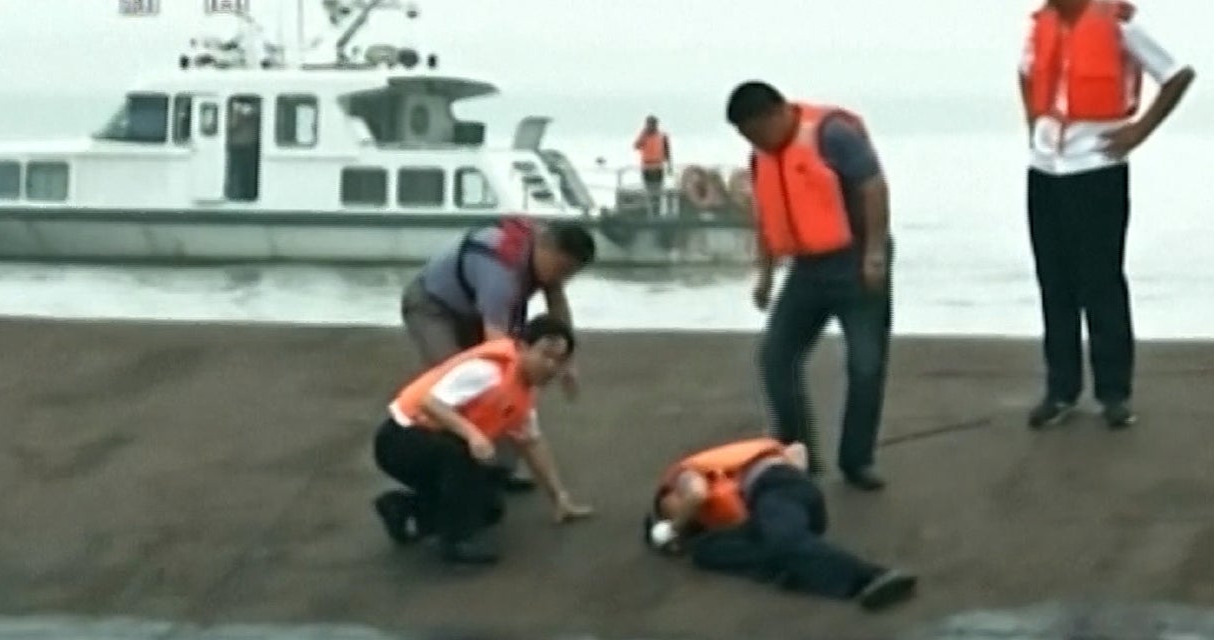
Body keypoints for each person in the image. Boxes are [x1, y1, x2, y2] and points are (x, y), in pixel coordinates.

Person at [1019, 0, 1196, 431]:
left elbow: (1178, 74)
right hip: (1045, 170)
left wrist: (1139, 131)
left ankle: (1114, 392)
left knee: (1101, 282)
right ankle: (1061, 390)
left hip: (1096, 170)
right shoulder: (1041, 27)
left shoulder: (1119, 23)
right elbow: (1025, 74)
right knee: (1054, 283)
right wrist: (1033, 122)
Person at [725, 81, 892, 491]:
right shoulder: (760, 157)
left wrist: (873, 253)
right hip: (806, 269)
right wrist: (764, 274)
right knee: (776, 357)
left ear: (777, 114)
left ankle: (857, 460)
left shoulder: (832, 135)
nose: (753, 142)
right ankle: (796, 454)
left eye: (754, 132)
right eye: (745, 137)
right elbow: (767, 215)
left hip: (854, 261)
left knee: (865, 363)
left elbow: (874, 187)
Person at [372, 314, 594, 565]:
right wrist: (473, 435)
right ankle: (454, 543)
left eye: (559, 360)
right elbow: (430, 403)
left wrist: (559, 497)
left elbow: (532, 442)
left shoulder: (522, 392)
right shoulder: (487, 371)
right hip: (399, 440)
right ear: (522, 347)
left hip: (432, 444)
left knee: (489, 508)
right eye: (545, 355)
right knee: (462, 458)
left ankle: (402, 508)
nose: (551, 366)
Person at [399, 217, 597, 488]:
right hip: (433, 307)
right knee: (466, 382)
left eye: (570, 274)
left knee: (507, 389)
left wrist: (567, 360)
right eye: (562, 270)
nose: (562, 279)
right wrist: (527, 385)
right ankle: (446, 466)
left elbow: (557, 306)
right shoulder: (501, 270)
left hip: (473, 308)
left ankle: (499, 469)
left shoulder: (543, 256)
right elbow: (498, 349)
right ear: (546, 250)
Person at [644, 437, 916, 611]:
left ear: (667, 497)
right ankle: (789, 571)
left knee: (783, 542)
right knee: (707, 553)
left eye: (667, 511)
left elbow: (697, 494)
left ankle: (872, 577)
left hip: (774, 486)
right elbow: (798, 451)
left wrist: (670, 528)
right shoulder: (715, 518)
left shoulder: (683, 476)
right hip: (789, 500)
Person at [633, 115, 672, 215]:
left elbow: (667, 152)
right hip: (647, 167)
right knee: (649, 191)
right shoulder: (643, 136)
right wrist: (643, 135)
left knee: (657, 191)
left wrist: (670, 166)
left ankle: (657, 212)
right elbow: (636, 146)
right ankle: (650, 212)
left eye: (652, 124)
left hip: (658, 167)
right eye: (649, 124)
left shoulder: (662, 136)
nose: (651, 126)